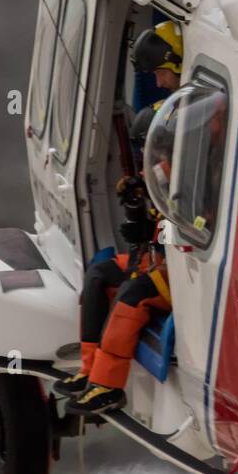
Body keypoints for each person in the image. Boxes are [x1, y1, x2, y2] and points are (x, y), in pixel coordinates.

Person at [65, 21, 185, 414]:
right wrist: (138, 206)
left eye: (161, 72)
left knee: (133, 296)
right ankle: (89, 370)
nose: (160, 81)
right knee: (99, 274)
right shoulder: (167, 169)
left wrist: (152, 229)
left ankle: (106, 386)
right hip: (156, 258)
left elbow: (185, 224)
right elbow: (159, 214)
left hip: (180, 271)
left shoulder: (195, 170)